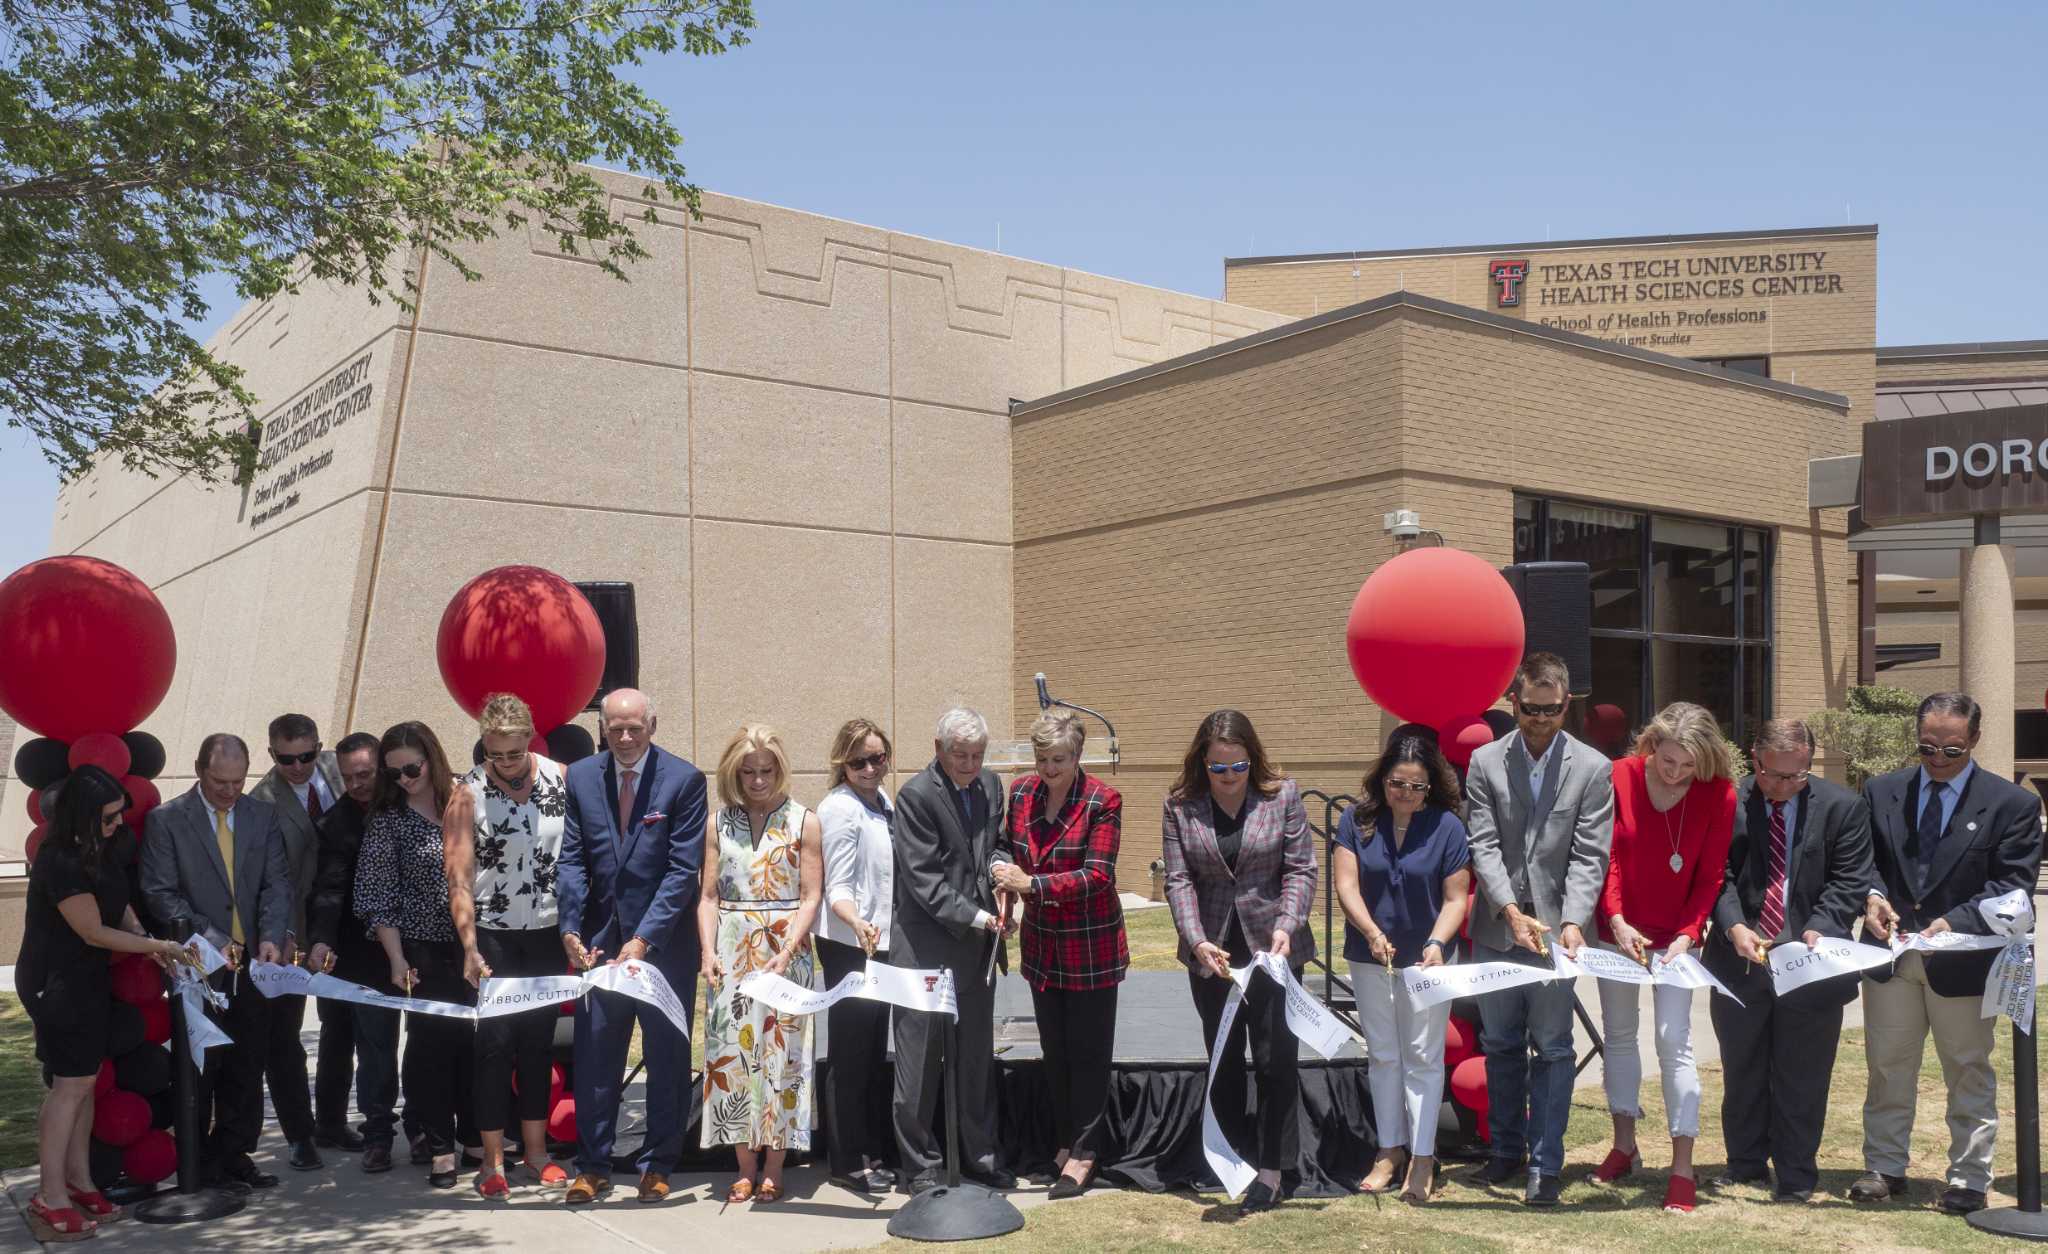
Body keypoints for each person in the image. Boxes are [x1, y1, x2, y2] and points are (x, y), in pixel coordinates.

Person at [1854, 691, 2043, 1215]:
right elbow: (1861, 861)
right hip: (1890, 955)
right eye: (1927, 747)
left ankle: (1968, 1178)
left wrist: (1954, 921)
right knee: (1888, 1066)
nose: (1937, 759)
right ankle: (1885, 1167)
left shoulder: (2013, 804)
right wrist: (1872, 896)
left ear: (1975, 740)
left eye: (1951, 750)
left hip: (1962, 959)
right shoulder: (1881, 791)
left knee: (1967, 1068)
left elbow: (2013, 886)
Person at [16, 767, 193, 1242]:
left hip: (86, 980)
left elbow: (117, 905)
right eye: (110, 817)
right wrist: (164, 949)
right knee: (69, 1087)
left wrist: (144, 937)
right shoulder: (60, 862)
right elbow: (92, 929)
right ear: (84, 815)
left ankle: (79, 1181)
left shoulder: (97, 848)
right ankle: (49, 1198)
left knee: (87, 1081)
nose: (118, 825)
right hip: (56, 985)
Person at [1464, 652, 1614, 1208]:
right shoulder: (1484, 762)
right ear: (1514, 701)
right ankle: (1506, 1152)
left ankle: (1546, 1166)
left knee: (1552, 1047)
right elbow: (1481, 842)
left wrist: (1572, 921)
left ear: (1567, 704)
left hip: (1557, 933)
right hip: (1497, 929)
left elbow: (1589, 854)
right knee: (1500, 1041)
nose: (1541, 720)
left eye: (1552, 710)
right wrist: (1507, 910)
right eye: (1530, 709)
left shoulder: (1594, 768)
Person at [1703, 718, 1875, 1203]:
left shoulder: (1844, 807)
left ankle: (1797, 1174)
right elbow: (1719, 874)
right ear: (1754, 758)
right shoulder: (1728, 801)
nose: (1782, 787)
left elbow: (1849, 880)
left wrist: (1815, 930)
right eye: (1773, 775)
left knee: (1803, 1074)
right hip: (1739, 960)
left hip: (1810, 963)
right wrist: (1735, 926)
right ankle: (1745, 1165)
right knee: (1743, 1068)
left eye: (1796, 776)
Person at [557, 687, 709, 1205]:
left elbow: (683, 871)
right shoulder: (580, 776)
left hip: (664, 947)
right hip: (599, 943)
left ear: (652, 726)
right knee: (597, 1055)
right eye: (614, 727)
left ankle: (656, 1165)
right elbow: (573, 858)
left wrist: (644, 939)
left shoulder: (684, 781)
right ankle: (593, 1166)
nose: (624, 737)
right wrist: (570, 927)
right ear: (602, 727)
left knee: (667, 1057)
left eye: (634, 728)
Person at [1160, 708, 1315, 1215]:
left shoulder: (1283, 795)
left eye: (1237, 767)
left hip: (1274, 950)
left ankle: (1272, 1169)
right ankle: (1229, 1160)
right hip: (1213, 955)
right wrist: (1197, 938)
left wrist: (1286, 926)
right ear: (1201, 764)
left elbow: (1300, 869)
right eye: (1217, 769)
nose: (1227, 779)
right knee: (1223, 1059)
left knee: (1274, 1062)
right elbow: (1179, 880)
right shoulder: (1180, 806)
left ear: (1254, 759)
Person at [1589, 702, 1737, 1213]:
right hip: (1620, 931)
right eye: (1667, 761)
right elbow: (1604, 855)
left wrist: (1690, 931)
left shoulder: (1719, 793)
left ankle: (1682, 1167)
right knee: (1620, 1033)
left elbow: (1711, 875)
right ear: (1650, 746)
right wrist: (1616, 920)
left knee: (1675, 1040)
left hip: (1678, 938)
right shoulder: (1618, 776)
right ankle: (1625, 1145)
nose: (1674, 774)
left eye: (1687, 766)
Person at [140, 732, 294, 1192]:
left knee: (247, 1065)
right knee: (202, 1068)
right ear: (199, 769)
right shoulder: (167, 821)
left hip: (252, 967)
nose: (230, 790)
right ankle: (199, 1162)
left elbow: (277, 884)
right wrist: (214, 940)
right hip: (199, 966)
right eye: (220, 781)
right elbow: (160, 894)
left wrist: (269, 937)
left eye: (238, 781)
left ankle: (235, 1156)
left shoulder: (260, 815)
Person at [992, 710, 1127, 1199]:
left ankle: (1087, 1153)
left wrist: (1032, 885)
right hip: (1042, 947)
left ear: (1078, 756)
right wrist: (1005, 888)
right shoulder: (1022, 793)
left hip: (1091, 946)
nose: (1049, 768)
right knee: (1056, 1052)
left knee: (1089, 1054)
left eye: (1060, 759)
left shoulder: (1102, 800)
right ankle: (1066, 1142)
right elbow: (1008, 850)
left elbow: (1098, 875)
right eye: (1042, 758)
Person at [1332, 732, 1470, 1206]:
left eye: (1417, 787)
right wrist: (1371, 932)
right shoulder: (1356, 819)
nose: (1406, 795)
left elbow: (1456, 899)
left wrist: (1436, 942)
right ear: (1382, 777)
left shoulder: (1449, 826)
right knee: (1384, 1055)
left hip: (1426, 961)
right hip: (1368, 954)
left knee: (1424, 1057)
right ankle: (1389, 1150)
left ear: (1431, 785)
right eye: (1398, 784)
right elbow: (1346, 884)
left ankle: (1424, 1157)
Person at [445, 693, 572, 1197]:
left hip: (546, 930)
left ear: (530, 739)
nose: (503, 764)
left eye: (513, 753)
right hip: (493, 935)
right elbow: (457, 878)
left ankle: (537, 1153)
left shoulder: (561, 778)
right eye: (494, 754)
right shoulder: (467, 792)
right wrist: (469, 946)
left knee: (538, 1044)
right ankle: (492, 1160)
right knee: (494, 1047)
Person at [696, 724, 823, 1204]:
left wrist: (788, 951)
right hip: (730, 950)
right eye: (747, 771)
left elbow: (812, 896)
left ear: (780, 769)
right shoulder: (717, 823)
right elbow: (708, 897)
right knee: (732, 1055)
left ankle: (775, 1164)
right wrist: (708, 953)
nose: (757, 780)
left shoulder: (804, 821)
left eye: (766, 770)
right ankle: (743, 1166)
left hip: (785, 949)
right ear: (734, 772)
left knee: (782, 1055)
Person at [892, 707, 1016, 1195]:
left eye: (978, 755)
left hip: (977, 950)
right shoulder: (915, 796)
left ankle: (980, 1157)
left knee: (975, 1061)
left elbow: (996, 846)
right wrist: (982, 917)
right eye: (960, 755)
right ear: (938, 749)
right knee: (918, 1064)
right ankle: (920, 1165)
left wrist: (1003, 878)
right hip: (924, 949)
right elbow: (924, 880)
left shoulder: (990, 786)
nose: (970, 764)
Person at [353, 720, 471, 1190]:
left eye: (412, 768)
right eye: (394, 772)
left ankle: (477, 1140)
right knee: (431, 1050)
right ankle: (439, 1145)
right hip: (421, 950)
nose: (404, 778)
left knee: (473, 1047)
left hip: (476, 946)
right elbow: (378, 896)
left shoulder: (464, 803)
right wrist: (397, 959)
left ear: (433, 759)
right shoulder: (388, 821)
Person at [248, 711, 345, 1171]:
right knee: (283, 1038)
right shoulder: (262, 801)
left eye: (307, 755)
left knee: (342, 1026)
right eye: (287, 759)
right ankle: (299, 1135)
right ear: (272, 755)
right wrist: (281, 936)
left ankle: (332, 1120)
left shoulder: (338, 767)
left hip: (349, 922)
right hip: (294, 933)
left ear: (318, 747)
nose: (299, 766)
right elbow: (272, 880)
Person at [304, 731, 404, 1172]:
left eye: (365, 773)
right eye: (348, 777)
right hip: (347, 951)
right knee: (340, 1037)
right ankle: (346, 1124)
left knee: (383, 1043)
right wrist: (320, 940)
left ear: (382, 766)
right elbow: (328, 888)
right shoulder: (336, 822)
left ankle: (398, 1125)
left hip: (404, 945)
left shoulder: (407, 805)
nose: (358, 783)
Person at [813, 717, 899, 1194]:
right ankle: (847, 1160)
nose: (870, 767)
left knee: (871, 1051)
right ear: (842, 764)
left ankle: (871, 1149)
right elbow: (837, 886)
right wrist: (855, 921)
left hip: (880, 942)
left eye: (877, 757)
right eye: (859, 761)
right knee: (849, 1053)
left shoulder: (882, 801)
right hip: (850, 945)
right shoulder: (839, 810)